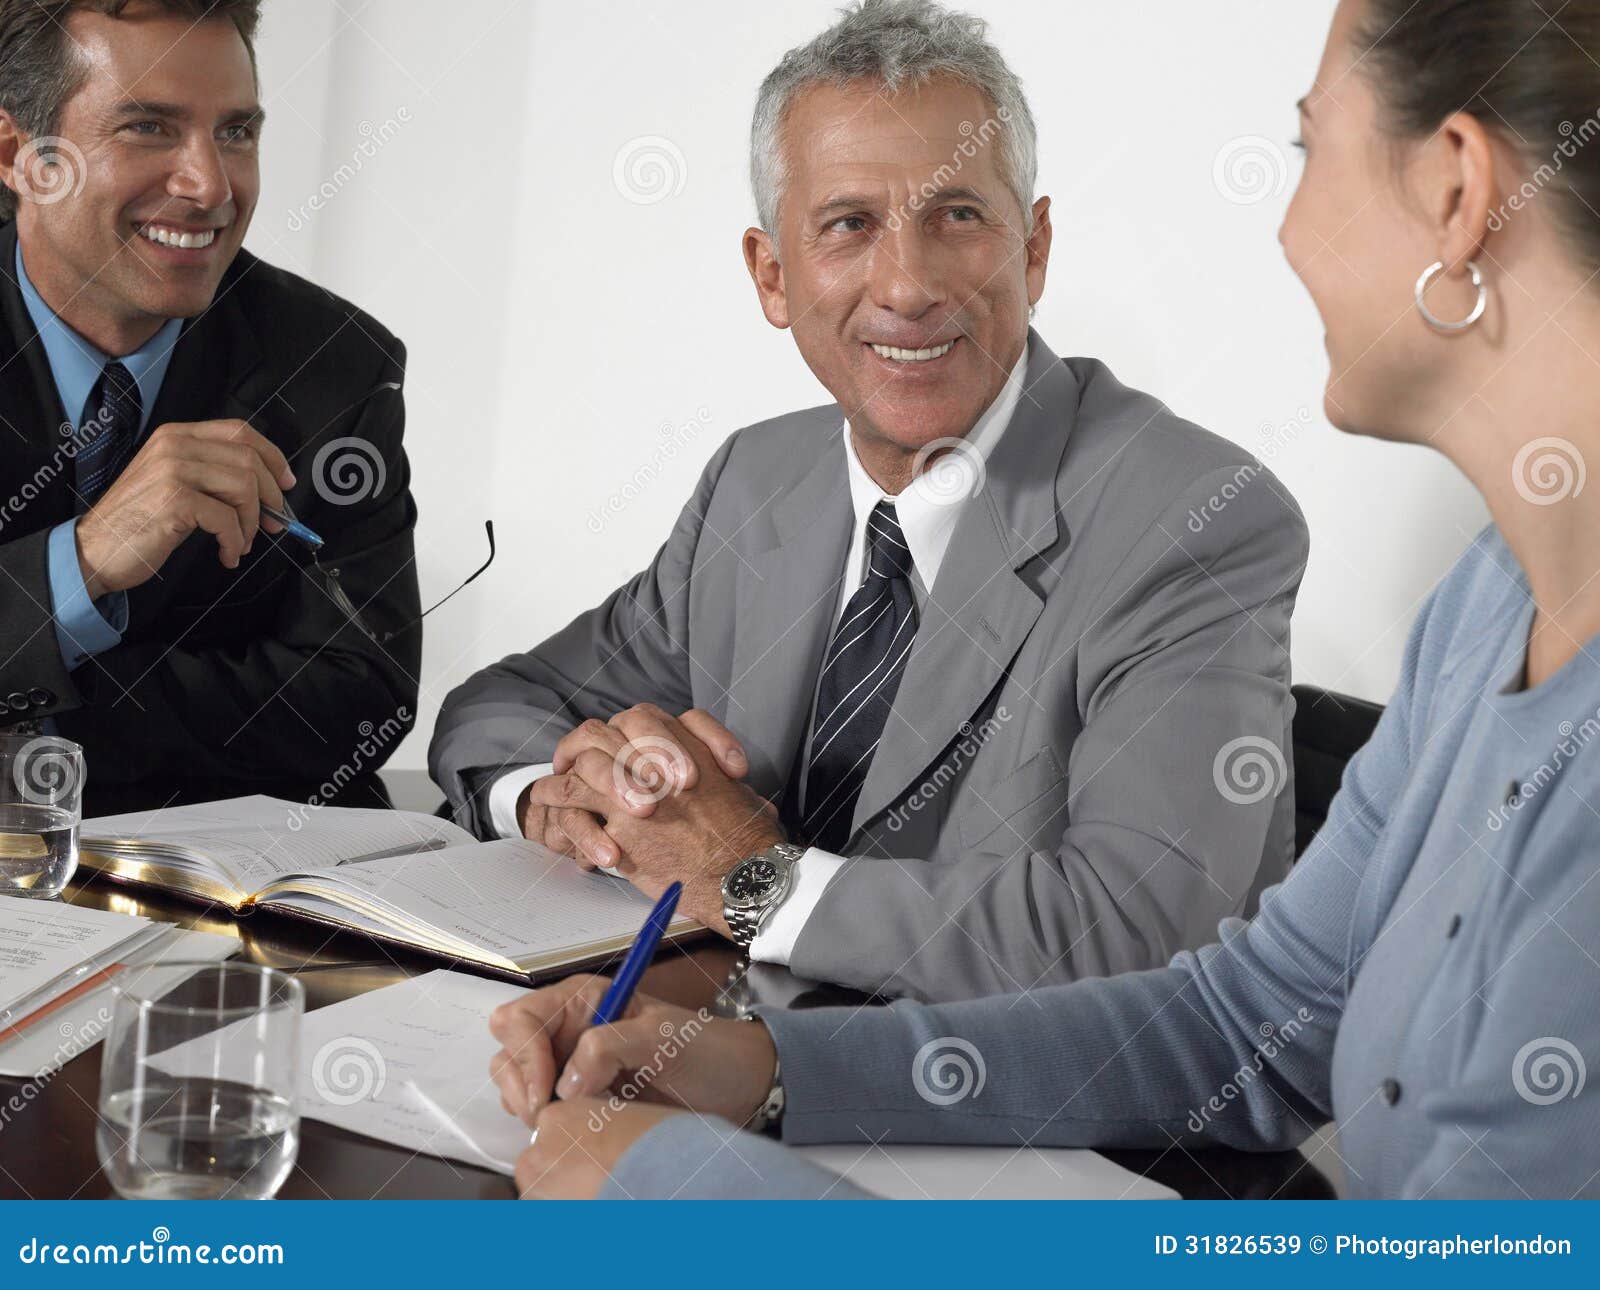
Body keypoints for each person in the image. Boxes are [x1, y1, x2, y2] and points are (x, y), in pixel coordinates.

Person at [489, 0, 1600, 1199]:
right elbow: (1249, 1020)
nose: (1284, 228)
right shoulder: (1484, 608)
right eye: (850, 225)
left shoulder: (1199, 512)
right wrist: (761, 1069)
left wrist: (687, 1192)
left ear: (1455, 190)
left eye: (1305, 148)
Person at [431, 0, 1307, 1002]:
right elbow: (498, 706)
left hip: (1021, 1131)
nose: (906, 284)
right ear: (772, 276)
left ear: (1033, 248)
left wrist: (745, 880)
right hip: (715, 1065)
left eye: (957, 217)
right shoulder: (755, 483)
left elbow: (1134, 935)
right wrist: (553, 796)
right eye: (849, 225)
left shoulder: (1194, 517)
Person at [0, 0, 421, 804]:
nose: (210, 185)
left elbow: (362, 693)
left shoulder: (333, 363)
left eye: (235, 132)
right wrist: (83, 562)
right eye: (148, 128)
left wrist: (35, 730)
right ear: (21, 154)